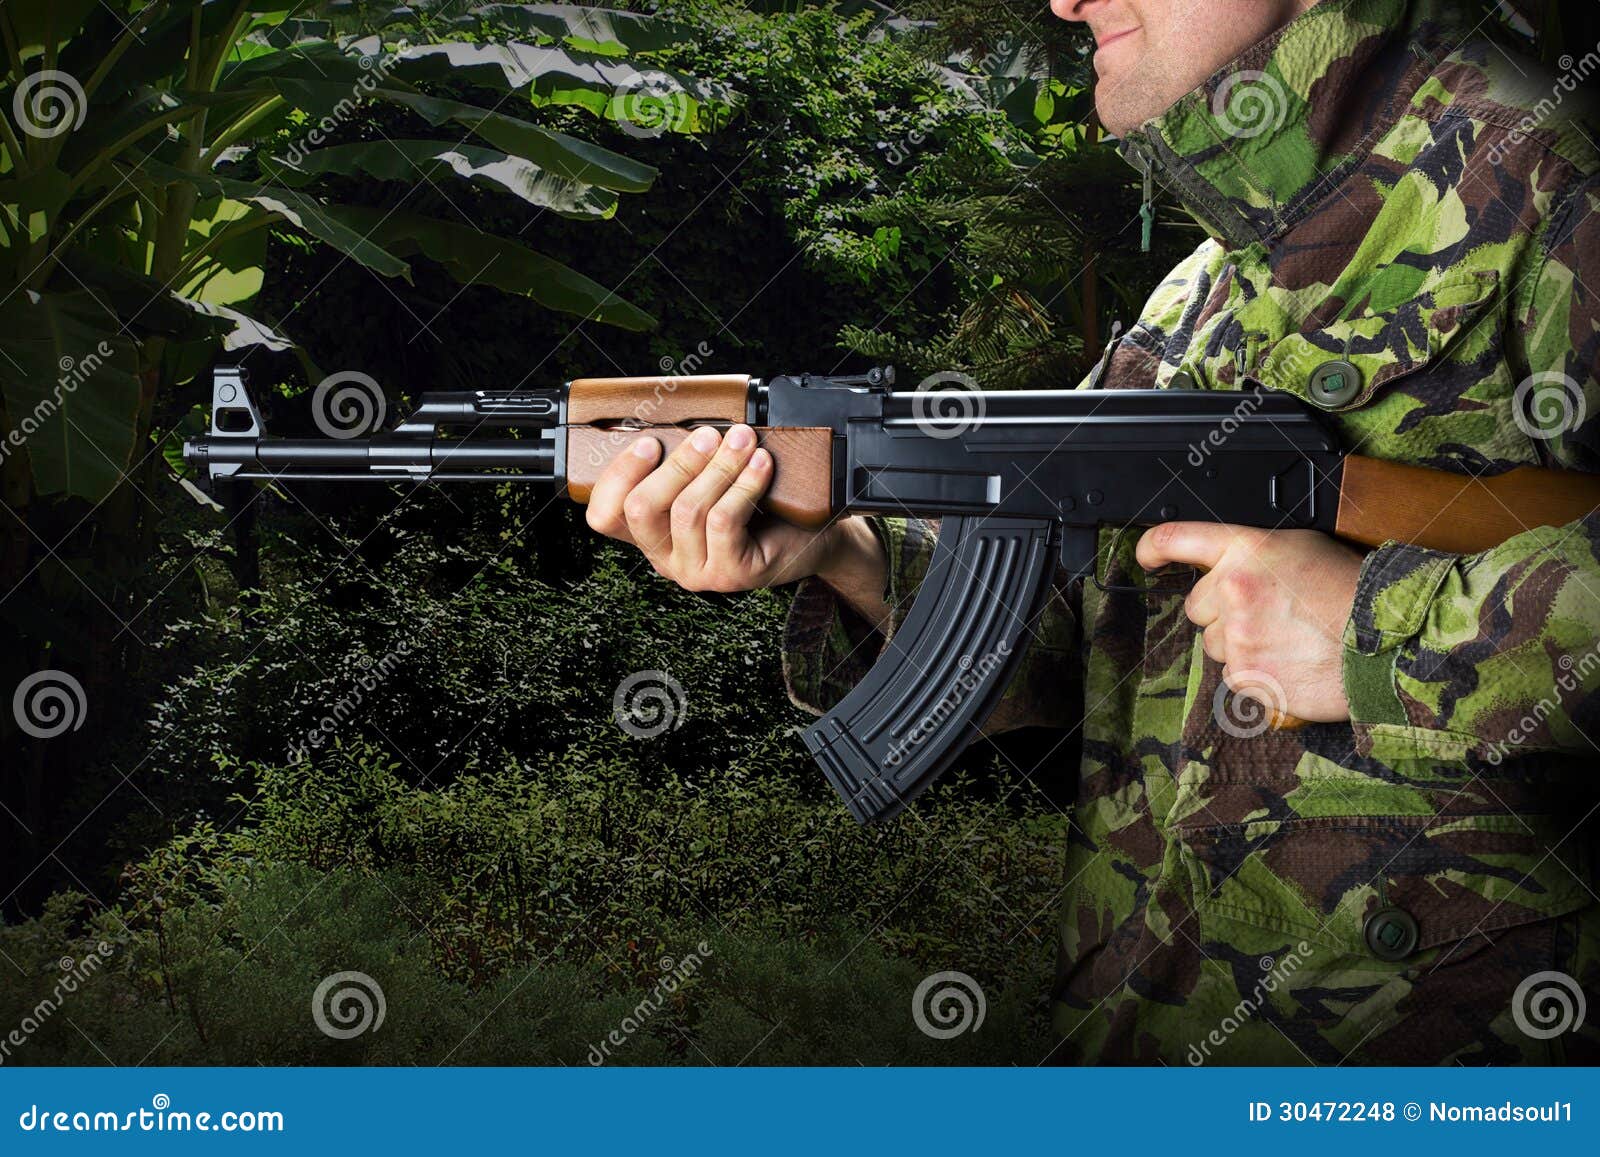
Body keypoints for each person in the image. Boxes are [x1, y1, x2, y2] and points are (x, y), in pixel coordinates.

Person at [584, 0, 1600, 1064]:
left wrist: (1378, 630)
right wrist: (843, 554)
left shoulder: (1552, 182)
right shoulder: (1206, 289)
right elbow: (1079, 639)